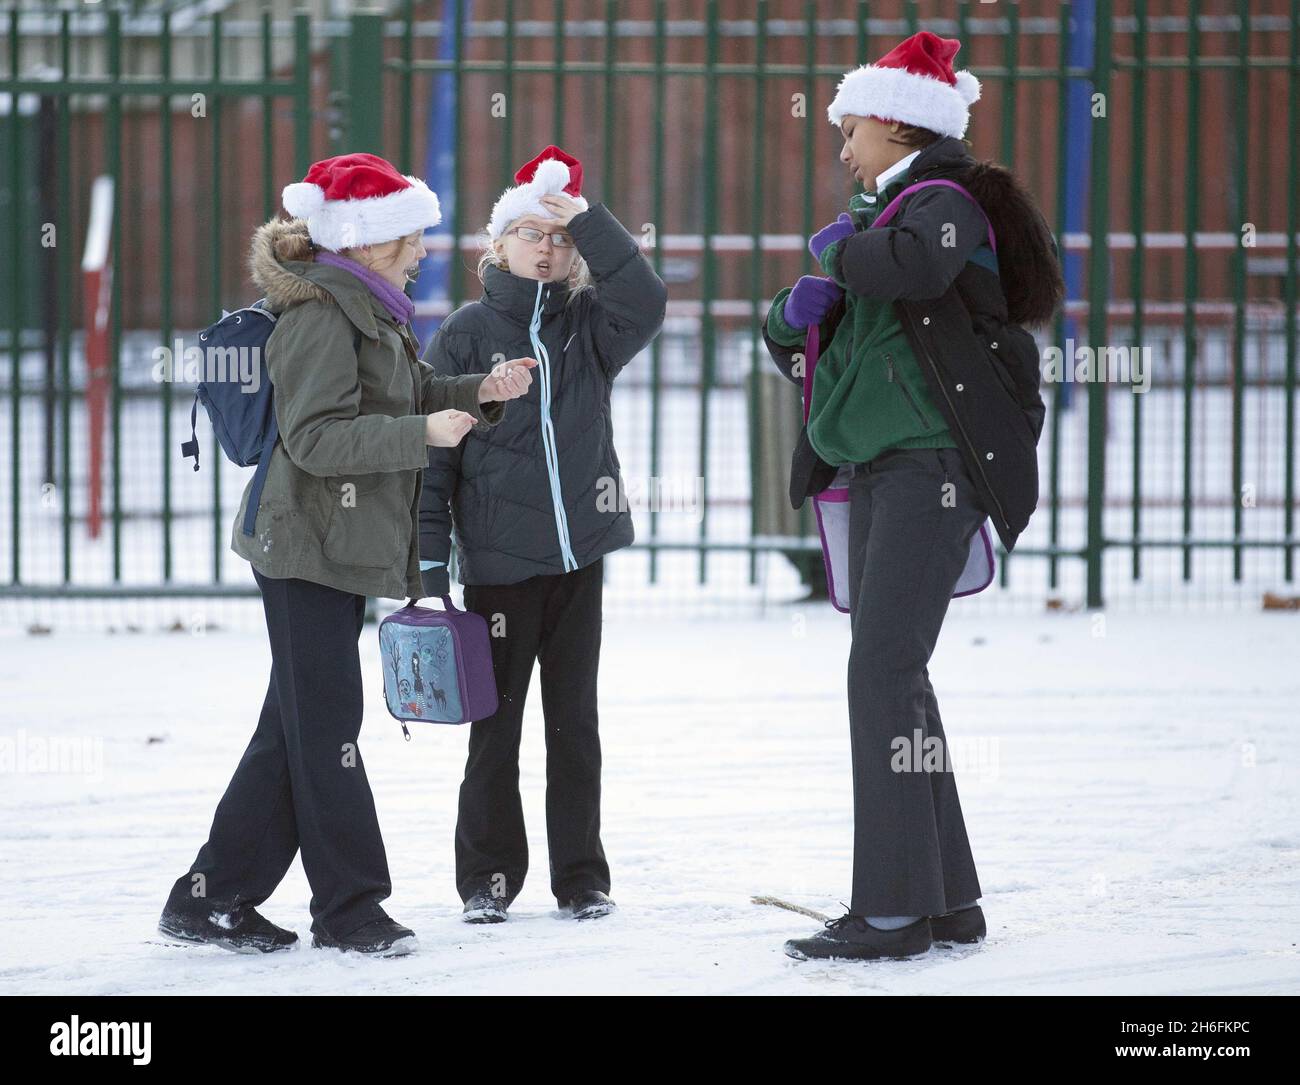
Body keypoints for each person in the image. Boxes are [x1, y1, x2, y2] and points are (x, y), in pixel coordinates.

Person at [159, 152, 534, 957]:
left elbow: (405, 394)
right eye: (409, 234)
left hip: (331, 545)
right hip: (303, 548)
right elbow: (318, 438)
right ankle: (350, 908)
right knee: (326, 727)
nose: (423, 248)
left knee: (296, 726)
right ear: (363, 239)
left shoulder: (370, 305)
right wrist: (420, 435)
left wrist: (477, 393)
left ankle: (209, 896)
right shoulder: (323, 315)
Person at [763, 33, 1062, 961]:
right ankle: (948, 900)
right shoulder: (885, 211)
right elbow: (826, 347)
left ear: (897, 122)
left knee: (882, 672)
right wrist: (791, 312)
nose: (842, 146)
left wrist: (846, 251)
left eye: (850, 128)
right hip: (890, 471)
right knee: (899, 674)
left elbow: (913, 269)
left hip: (933, 471)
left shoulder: (944, 202)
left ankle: (891, 913)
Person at [418, 145, 667, 923]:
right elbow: (436, 452)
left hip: (579, 560)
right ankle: (486, 881)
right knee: (496, 731)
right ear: (498, 246)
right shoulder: (462, 332)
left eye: (558, 235)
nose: (547, 245)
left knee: (576, 724)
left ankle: (582, 877)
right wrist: (430, 559)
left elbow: (648, 300)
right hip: (497, 565)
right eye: (531, 231)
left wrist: (590, 221)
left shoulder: (591, 325)